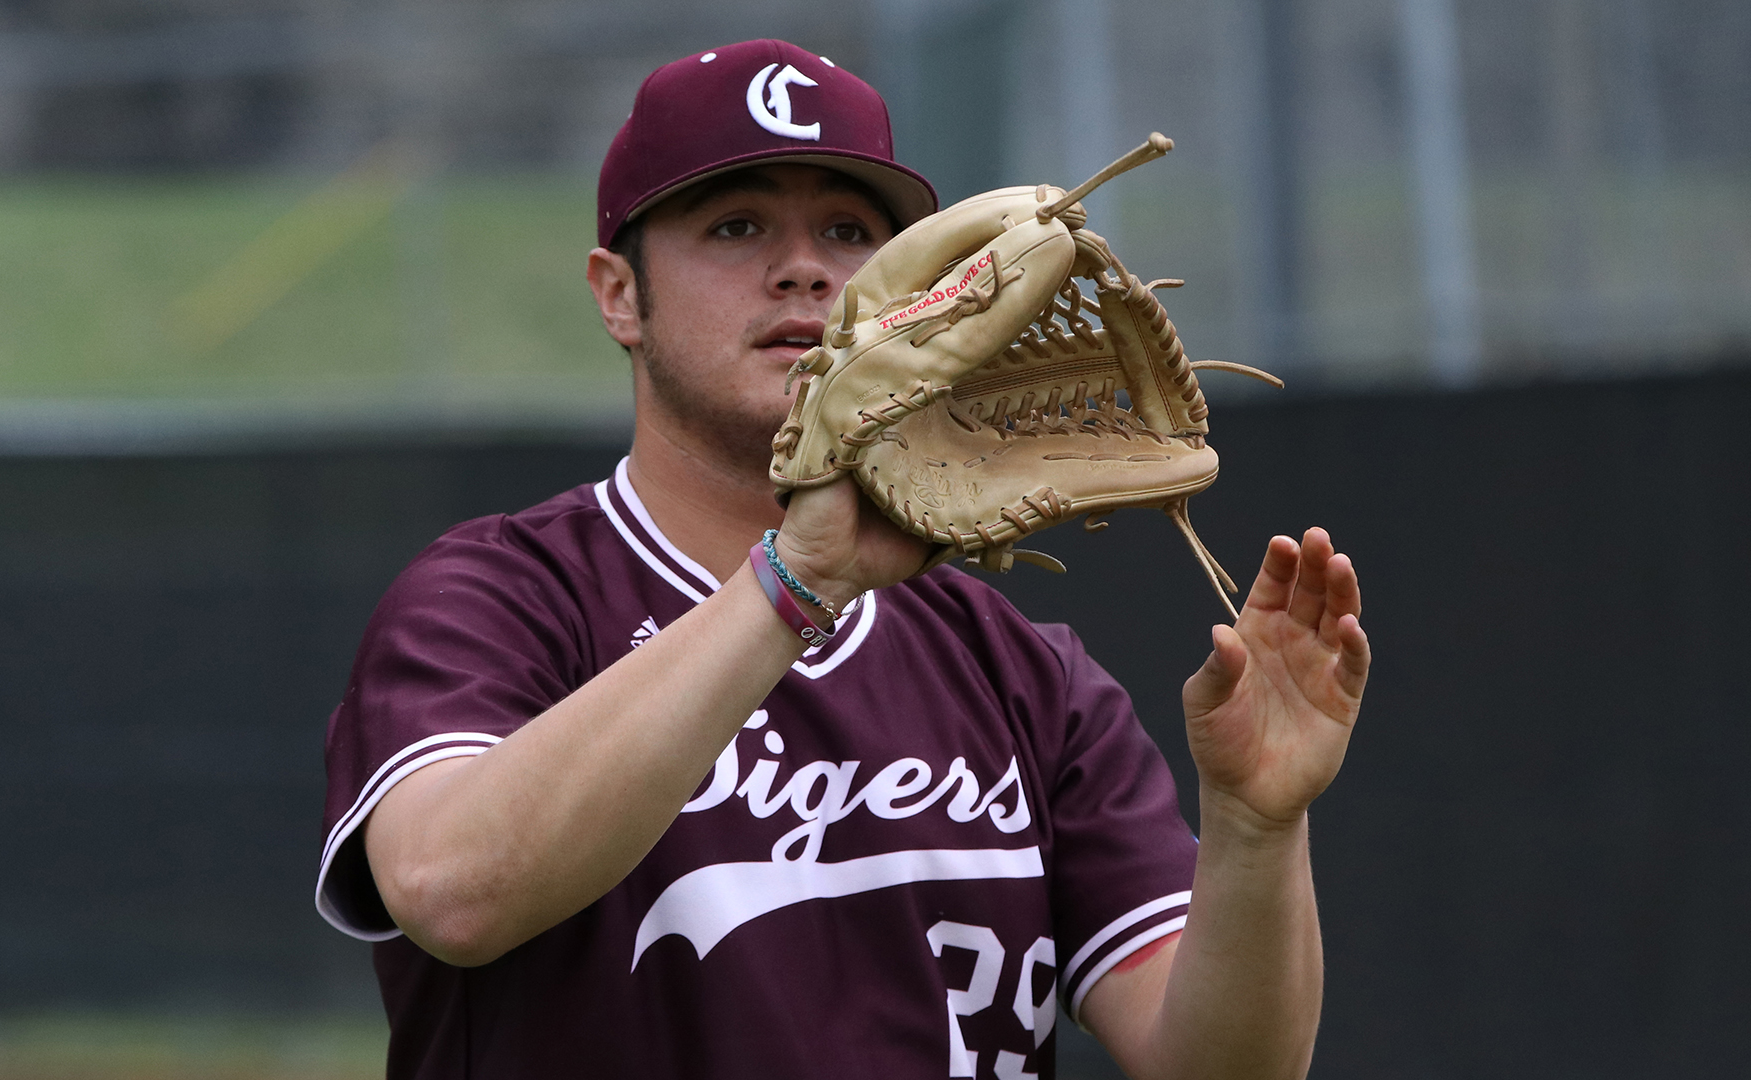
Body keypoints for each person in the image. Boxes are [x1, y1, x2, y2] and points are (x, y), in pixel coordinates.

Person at [317, 39, 1369, 1080]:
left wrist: (1255, 828)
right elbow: (451, 892)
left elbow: (1224, 1068)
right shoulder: (499, 601)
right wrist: (794, 584)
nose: (804, 266)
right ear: (618, 295)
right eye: (735, 226)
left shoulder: (1018, 672)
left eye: (849, 230)